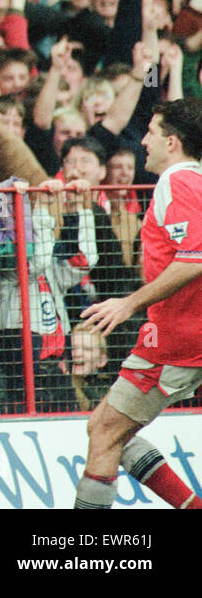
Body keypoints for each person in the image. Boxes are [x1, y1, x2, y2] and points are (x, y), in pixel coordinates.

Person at [77, 99, 202, 509]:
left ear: (172, 141)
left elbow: (195, 256)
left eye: (150, 132)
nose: (143, 140)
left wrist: (129, 303)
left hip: (177, 337)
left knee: (105, 435)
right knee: (103, 427)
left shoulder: (177, 180)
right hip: (186, 333)